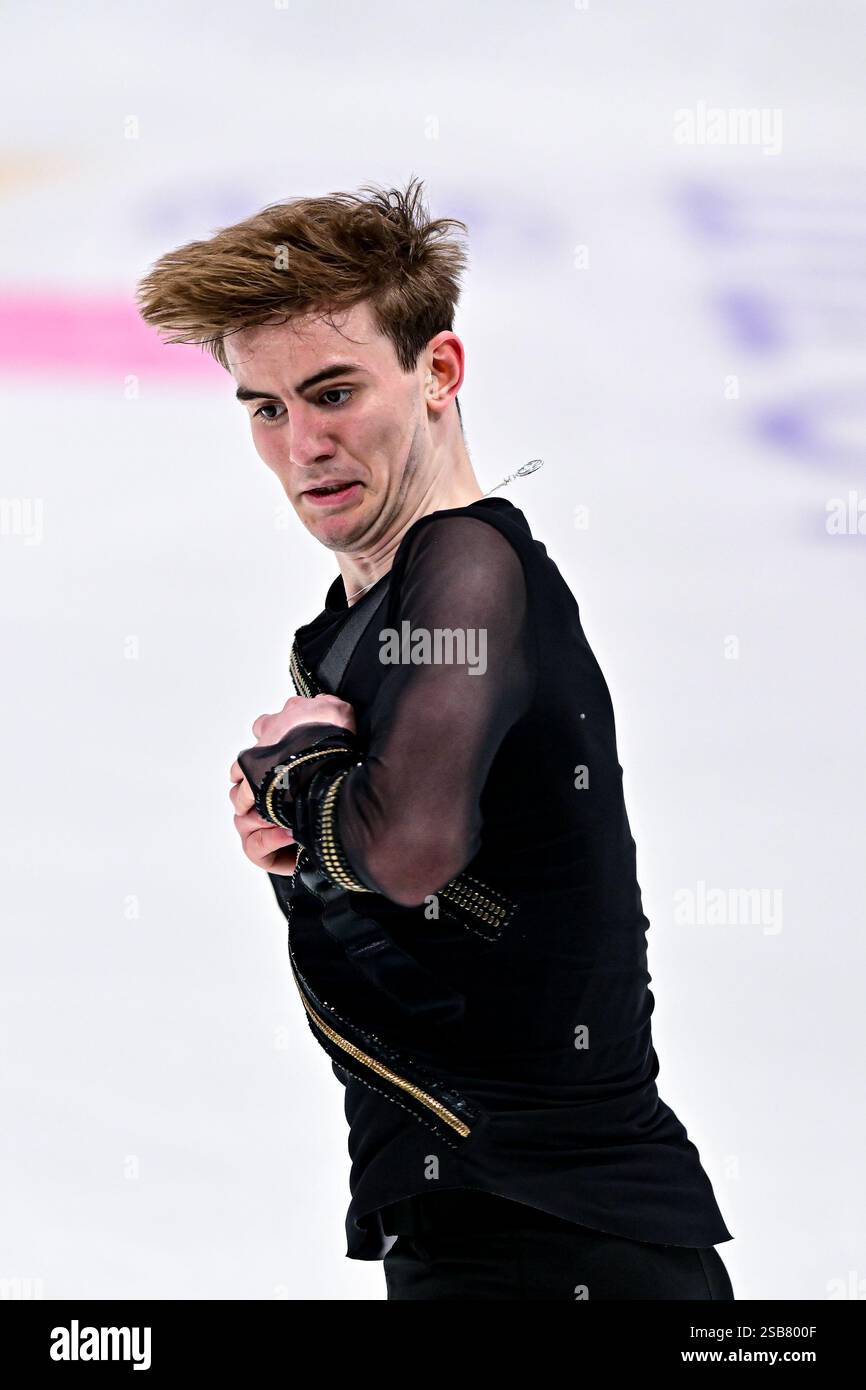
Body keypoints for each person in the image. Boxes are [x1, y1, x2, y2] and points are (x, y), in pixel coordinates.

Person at [135, 177, 735, 1300]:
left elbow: (407, 848)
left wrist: (306, 790)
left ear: (437, 375)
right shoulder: (355, 622)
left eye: (333, 392)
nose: (302, 443)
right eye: (264, 409)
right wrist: (302, 826)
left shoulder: (466, 567)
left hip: (556, 1238)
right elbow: (414, 883)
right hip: (489, 1225)